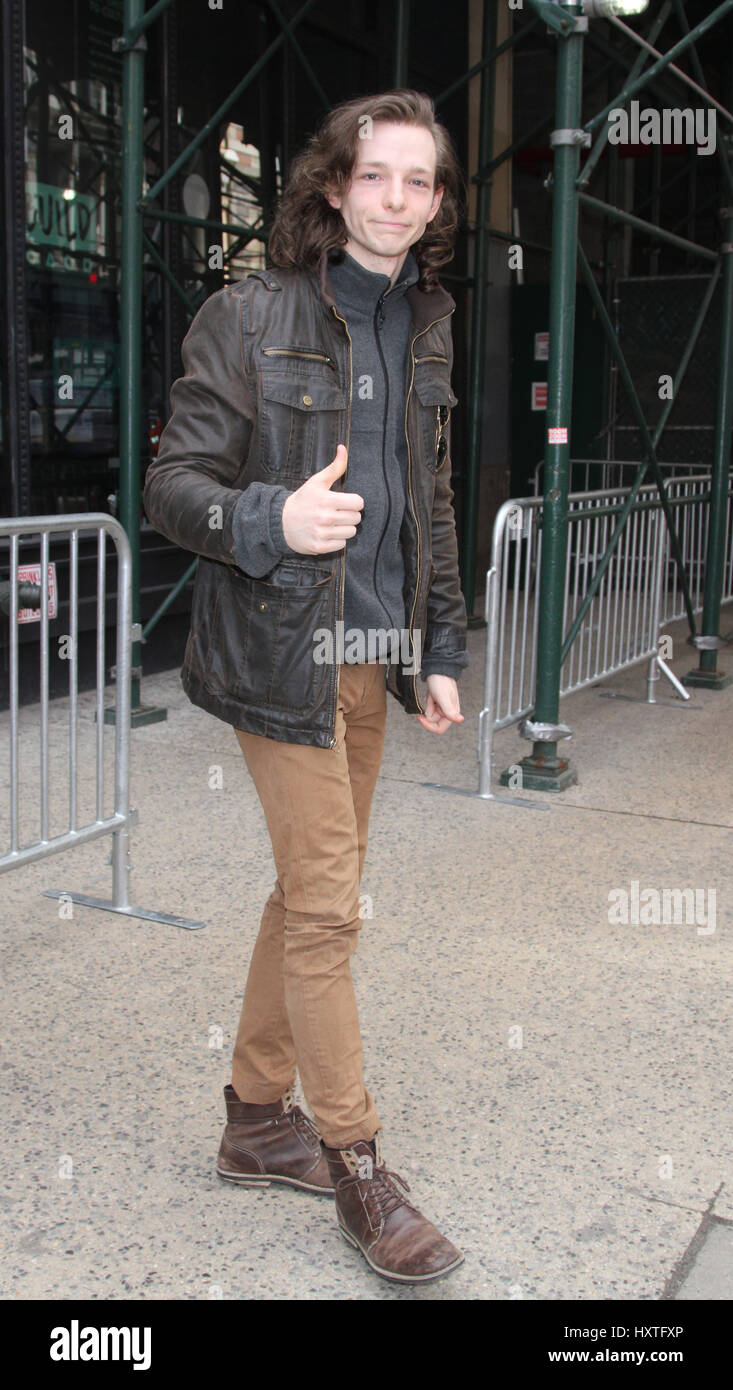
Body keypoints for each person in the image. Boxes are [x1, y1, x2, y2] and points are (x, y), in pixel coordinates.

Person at [143, 88, 469, 1285]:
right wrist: (269, 514)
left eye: (420, 180)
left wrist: (441, 644)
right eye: (375, 176)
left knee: (306, 893)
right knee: (330, 909)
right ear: (333, 186)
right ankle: (355, 1163)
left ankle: (252, 1116)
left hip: (370, 656)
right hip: (278, 652)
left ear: (435, 200)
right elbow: (172, 486)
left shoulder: (424, 320)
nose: (397, 199)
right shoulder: (250, 313)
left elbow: (426, 500)